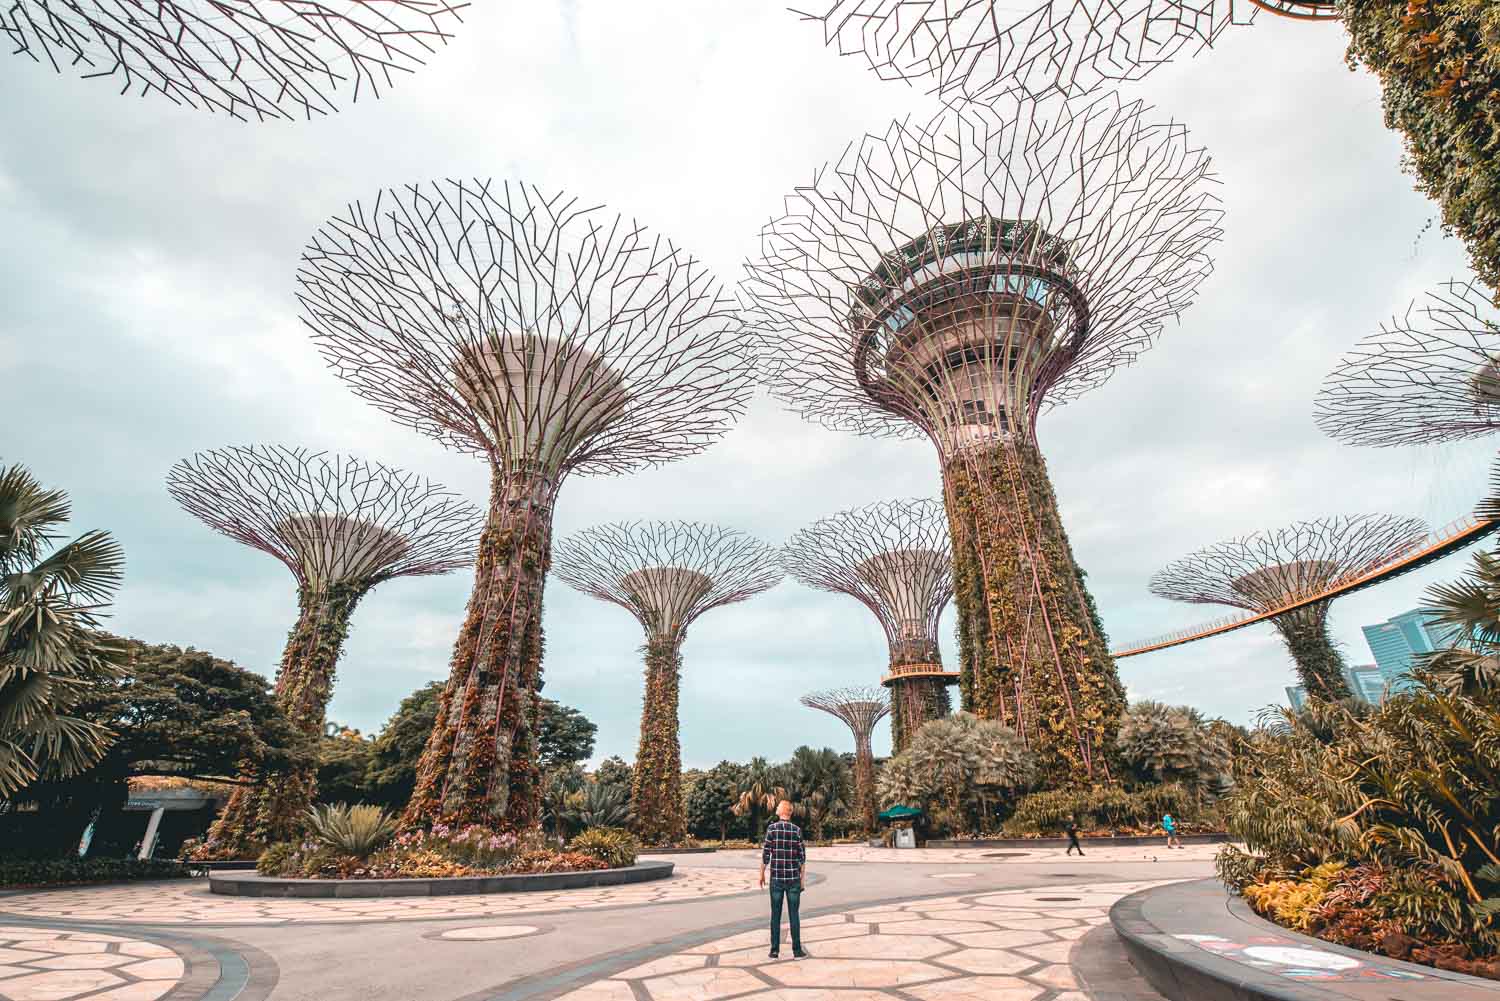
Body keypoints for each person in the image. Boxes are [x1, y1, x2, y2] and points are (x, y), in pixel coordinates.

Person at [759, 799, 808, 959]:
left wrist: (761, 873)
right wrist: (802, 880)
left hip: (777, 879)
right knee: (794, 915)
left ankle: (774, 950)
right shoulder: (797, 830)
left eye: (778, 806)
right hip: (793, 879)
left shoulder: (772, 829)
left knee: (775, 915)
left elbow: (766, 853)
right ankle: (797, 951)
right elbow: (802, 858)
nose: (776, 808)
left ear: (784, 811)